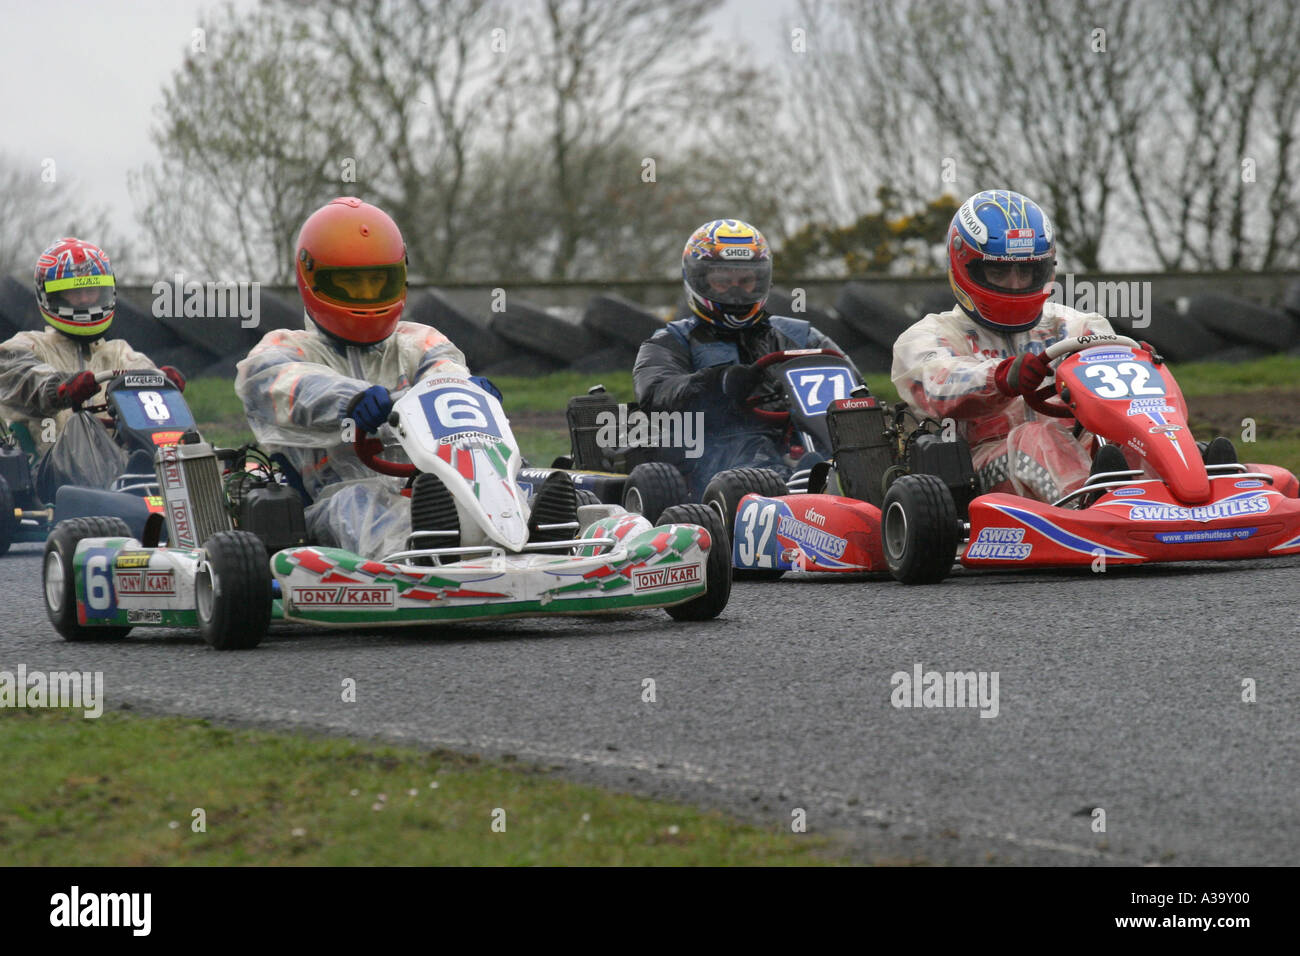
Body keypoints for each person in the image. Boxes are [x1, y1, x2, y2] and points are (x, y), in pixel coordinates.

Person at [235, 196, 533, 559]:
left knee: (499, 482)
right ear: (311, 279)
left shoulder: (419, 342)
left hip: (427, 487)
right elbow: (276, 382)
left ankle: (531, 534)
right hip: (327, 504)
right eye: (351, 284)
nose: (367, 297)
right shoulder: (286, 348)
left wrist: (469, 393)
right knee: (361, 502)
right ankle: (418, 555)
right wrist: (352, 399)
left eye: (378, 282)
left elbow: (445, 372)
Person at [890, 189, 1119, 502]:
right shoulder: (929, 335)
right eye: (999, 270)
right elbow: (938, 385)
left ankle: (1187, 494)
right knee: (1038, 437)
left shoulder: (1076, 326)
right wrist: (1001, 377)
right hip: (980, 476)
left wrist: (1138, 365)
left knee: (1132, 435)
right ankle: (1089, 512)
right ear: (966, 266)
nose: (1015, 284)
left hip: (1082, 455)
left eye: (1026, 271)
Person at [633, 218, 858, 497]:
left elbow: (854, 388)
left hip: (801, 443)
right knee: (750, 449)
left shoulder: (801, 336)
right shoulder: (671, 341)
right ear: (699, 280)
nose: (737, 292)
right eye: (723, 281)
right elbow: (655, 394)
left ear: (762, 280)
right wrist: (717, 382)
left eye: (746, 281)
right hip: (714, 455)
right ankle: (790, 491)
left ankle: (843, 478)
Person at [0, 237, 185, 500]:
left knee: (177, 442)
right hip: (48, 476)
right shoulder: (25, 347)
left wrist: (164, 385)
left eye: (93, 291)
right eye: (74, 293)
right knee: (79, 432)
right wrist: (63, 389)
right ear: (50, 296)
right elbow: (28, 381)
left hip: (124, 474)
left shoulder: (121, 354)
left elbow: (149, 385)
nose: (85, 300)